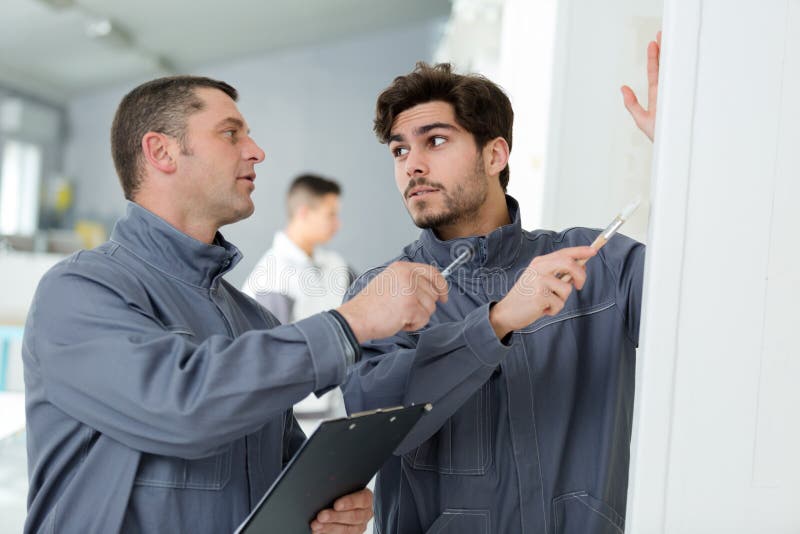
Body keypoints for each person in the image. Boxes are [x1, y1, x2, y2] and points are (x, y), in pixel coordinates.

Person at [21, 75, 448, 534]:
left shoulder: (251, 320)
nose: (256, 151)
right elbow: (183, 405)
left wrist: (323, 510)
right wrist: (351, 323)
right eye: (231, 133)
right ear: (160, 152)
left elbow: (281, 482)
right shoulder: (79, 291)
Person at [340, 41, 659, 534]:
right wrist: (496, 322)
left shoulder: (600, 264)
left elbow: (712, 298)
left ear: (495, 154)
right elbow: (378, 425)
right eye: (400, 149)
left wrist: (688, 160)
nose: (412, 165)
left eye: (436, 141)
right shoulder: (384, 291)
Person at [242, 174, 355, 415]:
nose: (338, 224)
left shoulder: (336, 265)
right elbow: (267, 360)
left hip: (335, 410)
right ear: (304, 212)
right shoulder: (272, 278)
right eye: (330, 214)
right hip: (294, 420)